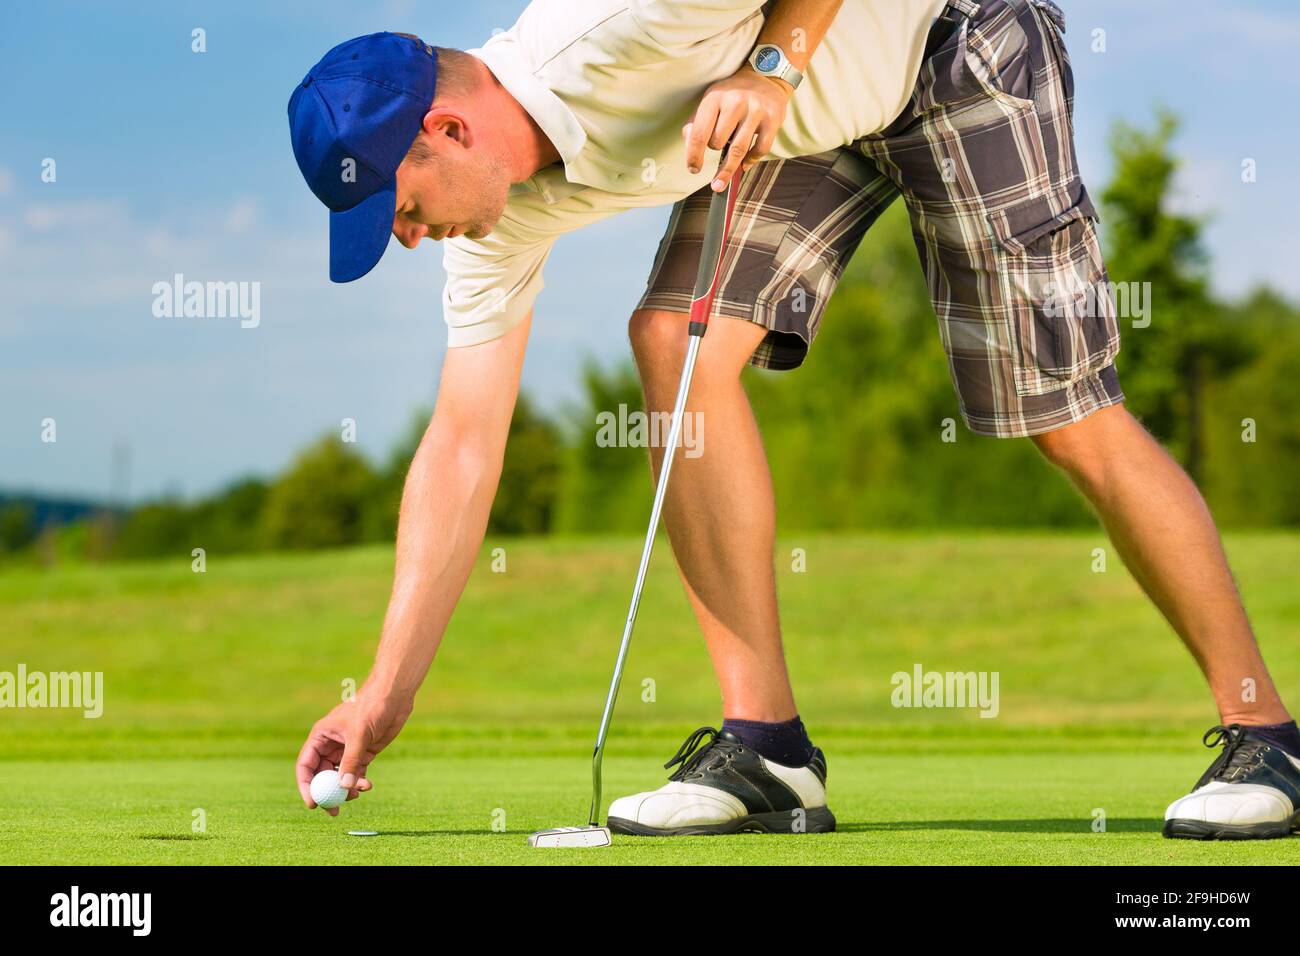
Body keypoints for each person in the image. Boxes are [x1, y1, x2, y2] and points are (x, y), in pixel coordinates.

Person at [289, 0, 1300, 840]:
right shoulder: (494, 220)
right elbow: (463, 441)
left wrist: (775, 66)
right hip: (806, 111)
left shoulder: (623, 20)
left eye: (400, 209)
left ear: (448, 130)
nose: (409, 239)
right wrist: (385, 690)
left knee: (1063, 413)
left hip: (948, 39)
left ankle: (1269, 740)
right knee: (676, 344)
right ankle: (767, 750)